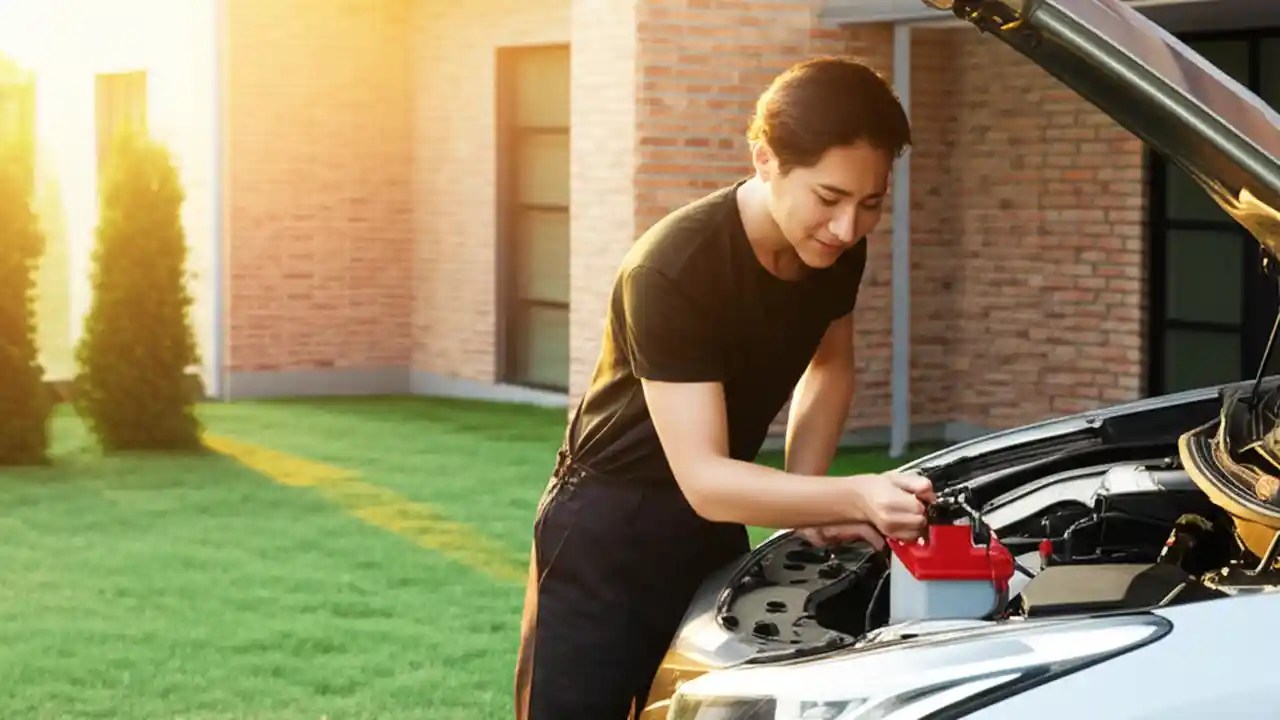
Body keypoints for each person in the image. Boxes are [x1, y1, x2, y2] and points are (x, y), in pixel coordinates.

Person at [513, 55, 935, 720]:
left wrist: (807, 498)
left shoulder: (835, 248)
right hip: (605, 529)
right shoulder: (671, 270)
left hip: (710, 522)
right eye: (829, 198)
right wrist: (850, 494)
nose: (848, 228)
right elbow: (704, 478)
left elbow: (830, 367)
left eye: (871, 203)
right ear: (765, 159)